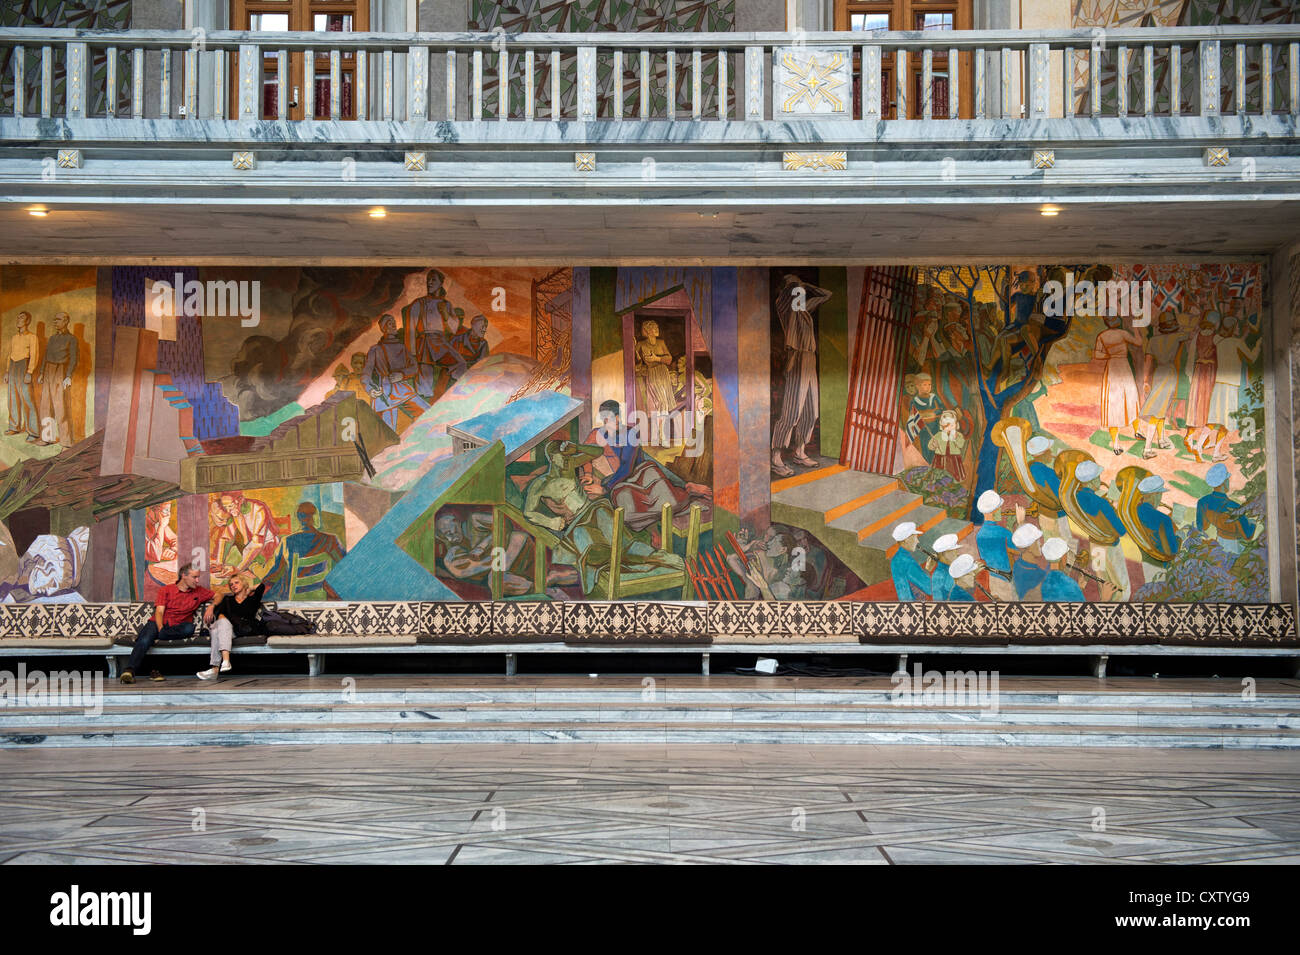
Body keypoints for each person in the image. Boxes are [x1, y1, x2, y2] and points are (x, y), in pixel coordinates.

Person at [771, 274, 832, 476]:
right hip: (796, 358)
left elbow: (826, 295)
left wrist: (805, 284)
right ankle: (776, 458)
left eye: (800, 288)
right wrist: (794, 286)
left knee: (811, 411)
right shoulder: (786, 308)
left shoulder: (804, 310)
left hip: (809, 358)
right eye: (793, 288)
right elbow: (787, 296)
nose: (798, 291)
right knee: (791, 412)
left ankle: (799, 452)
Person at [121, 562, 214, 684]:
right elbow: (159, 612)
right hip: (158, 623)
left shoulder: (198, 591)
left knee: (190, 628)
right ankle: (130, 670)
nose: (197, 580)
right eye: (194, 577)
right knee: (145, 639)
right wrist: (160, 629)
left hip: (179, 626)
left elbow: (219, 595)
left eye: (198, 577)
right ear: (183, 576)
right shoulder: (166, 590)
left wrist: (212, 606)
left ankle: (154, 663)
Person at [261, 501, 346, 600]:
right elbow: (345, 564)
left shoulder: (287, 541)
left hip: (290, 595)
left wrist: (261, 579)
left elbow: (275, 572)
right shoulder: (330, 540)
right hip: (319, 593)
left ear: (298, 519)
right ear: (315, 517)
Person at [435, 510, 530, 596]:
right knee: (495, 582)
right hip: (498, 566)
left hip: (514, 546)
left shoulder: (474, 520)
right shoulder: (456, 546)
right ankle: (534, 587)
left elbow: (504, 523)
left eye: (449, 533)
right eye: (445, 536)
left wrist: (482, 547)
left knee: (496, 578)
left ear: (456, 522)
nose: (450, 539)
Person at [403, 269, 465, 399]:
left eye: (433, 280)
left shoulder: (446, 304)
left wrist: (445, 314)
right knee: (424, 378)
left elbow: (454, 328)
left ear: (441, 283)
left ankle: (449, 392)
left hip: (440, 342)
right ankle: (425, 401)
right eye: (428, 280)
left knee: (460, 363)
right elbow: (411, 329)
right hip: (424, 341)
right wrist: (411, 352)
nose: (430, 283)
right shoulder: (419, 303)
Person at [1205, 317, 1260, 462]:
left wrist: (1244, 335)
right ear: (1232, 328)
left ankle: (1199, 446)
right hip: (1230, 385)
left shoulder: (1219, 341)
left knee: (1214, 418)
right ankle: (1216, 452)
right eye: (1236, 327)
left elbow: (1231, 342)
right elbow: (1252, 357)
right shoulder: (1237, 342)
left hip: (1219, 383)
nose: (1238, 329)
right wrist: (1258, 345)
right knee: (1227, 422)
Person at [363, 314, 430, 429]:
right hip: (384, 393)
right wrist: (370, 389)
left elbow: (414, 367)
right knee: (389, 431)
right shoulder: (375, 349)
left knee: (428, 413)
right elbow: (366, 374)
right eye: (390, 323)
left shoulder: (402, 347)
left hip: (402, 389)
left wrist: (402, 374)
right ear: (384, 328)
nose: (394, 324)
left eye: (394, 321)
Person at [1091, 315, 1145, 455]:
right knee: (1131, 399)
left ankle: (1116, 444)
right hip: (1123, 366)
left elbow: (1097, 354)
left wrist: (1110, 355)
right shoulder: (1122, 333)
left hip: (1113, 367)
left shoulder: (1102, 335)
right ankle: (1137, 431)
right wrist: (1135, 328)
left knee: (1113, 405)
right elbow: (1138, 342)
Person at [196, 573, 265, 680]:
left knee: (216, 630)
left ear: (244, 583)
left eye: (237, 582)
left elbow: (261, 586)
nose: (233, 585)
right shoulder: (228, 600)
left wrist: (249, 589)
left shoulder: (252, 599)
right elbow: (220, 614)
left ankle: (215, 668)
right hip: (228, 631)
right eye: (231, 584)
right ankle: (225, 661)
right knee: (219, 626)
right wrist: (222, 619)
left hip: (244, 629)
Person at [1137, 310, 1185, 459]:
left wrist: (1145, 380)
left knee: (1161, 409)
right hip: (1169, 373)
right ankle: (1147, 449)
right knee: (1157, 412)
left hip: (1159, 372)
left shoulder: (1153, 341)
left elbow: (1148, 361)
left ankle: (1162, 439)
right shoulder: (1178, 336)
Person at [33, 311, 78, 447]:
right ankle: (47, 438)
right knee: (45, 406)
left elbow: (74, 359)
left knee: (61, 408)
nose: (55, 322)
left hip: (61, 371)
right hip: (48, 371)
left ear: (66, 321)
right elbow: (46, 356)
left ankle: (66, 443)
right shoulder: (52, 338)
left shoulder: (72, 339)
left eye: (58, 319)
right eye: (54, 319)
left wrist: (68, 375)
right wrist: (41, 373)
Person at [1195, 461, 1256, 555]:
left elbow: (1202, 527)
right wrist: (1252, 522)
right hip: (1236, 547)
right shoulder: (1234, 507)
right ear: (1223, 483)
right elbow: (1247, 536)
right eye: (1227, 479)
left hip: (1218, 544)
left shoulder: (1203, 502)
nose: (1228, 482)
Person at [633, 319, 676, 440]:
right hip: (652, 374)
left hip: (663, 373)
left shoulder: (661, 342)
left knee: (665, 404)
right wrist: (635, 351)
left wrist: (656, 358)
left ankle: (662, 435)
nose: (657, 329)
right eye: (653, 327)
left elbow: (669, 359)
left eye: (657, 327)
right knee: (660, 403)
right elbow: (636, 360)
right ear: (647, 331)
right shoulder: (641, 344)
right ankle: (660, 435)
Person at [1135, 474, 1181, 581]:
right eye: (1160, 494)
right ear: (1154, 495)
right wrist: (1179, 537)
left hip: (1144, 561)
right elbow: (1172, 552)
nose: (1160, 498)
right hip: (1161, 568)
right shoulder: (1164, 520)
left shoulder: (1134, 511)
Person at [1184, 317, 1219, 461]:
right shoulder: (1216, 337)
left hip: (1198, 371)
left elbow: (1191, 356)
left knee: (1196, 407)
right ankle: (1198, 443)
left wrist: (1190, 375)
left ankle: (1190, 436)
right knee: (1210, 408)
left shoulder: (1197, 337)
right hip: (1210, 371)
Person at [974, 490, 1016, 601]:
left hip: (989, 578)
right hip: (1004, 578)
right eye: (1000, 508)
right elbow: (1018, 550)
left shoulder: (979, 534)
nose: (1001, 511)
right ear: (995, 510)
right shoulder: (1004, 532)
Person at [4, 311, 39, 442]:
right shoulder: (14, 338)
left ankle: (33, 432)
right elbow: (10, 355)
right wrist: (7, 371)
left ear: (27, 321)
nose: (18, 320)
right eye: (17, 317)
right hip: (13, 367)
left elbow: (34, 356)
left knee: (27, 399)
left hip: (24, 367)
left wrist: (29, 372)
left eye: (22, 318)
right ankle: (14, 426)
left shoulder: (32, 337)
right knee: (12, 398)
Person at [889, 521, 934, 601]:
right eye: (915, 537)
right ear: (906, 540)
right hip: (913, 606)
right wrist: (928, 569)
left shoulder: (896, 558)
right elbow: (930, 588)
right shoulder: (907, 561)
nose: (917, 541)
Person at [1010, 523, 1047, 600]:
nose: (1041, 544)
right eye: (1037, 541)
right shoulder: (1039, 574)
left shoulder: (1018, 564)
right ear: (1029, 547)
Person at [927, 410, 966, 481]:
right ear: (942, 425)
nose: (949, 428)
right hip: (940, 458)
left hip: (954, 459)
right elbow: (929, 446)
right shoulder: (938, 435)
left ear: (956, 424)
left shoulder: (958, 435)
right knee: (939, 476)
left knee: (953, 475)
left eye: (952, 425)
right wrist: (934, 445)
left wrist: (955, 439)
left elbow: (961, 445)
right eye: (946, 426)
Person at [929, 533, 960, 600]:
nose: (957, 553)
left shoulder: (953, 569)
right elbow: (938, 602)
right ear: (943, 553)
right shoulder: (938, 576)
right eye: (954, 551)